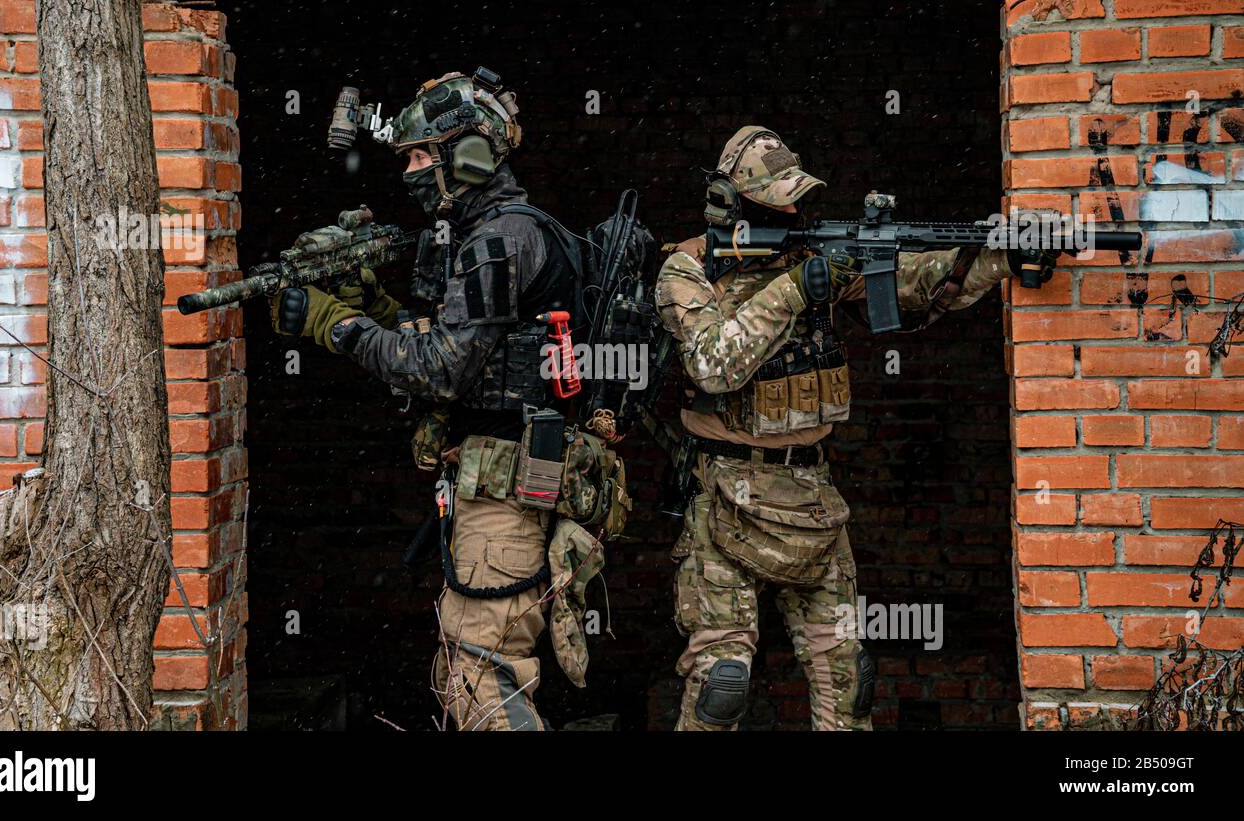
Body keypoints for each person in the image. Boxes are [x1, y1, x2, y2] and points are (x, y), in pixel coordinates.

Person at [655, 125, 1056, 731]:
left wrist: (995, 254)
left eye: (795, 200)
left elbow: (918, 282)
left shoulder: (808, 256)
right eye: (774, 203)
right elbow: (712, 363)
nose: (791, 212)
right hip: (725, 501)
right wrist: (796, 290)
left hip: (813, 502)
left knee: (851, 687)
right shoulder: (687, 268)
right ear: (732, 203)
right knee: (722, 689)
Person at [270, 69, 608, 731]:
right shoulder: (508, 231)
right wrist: (379, 311)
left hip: (508, 496)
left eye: (422, 155)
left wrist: (335, 324)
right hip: (501, 487)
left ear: (470, 156)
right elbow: (468, 354)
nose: (411, 171)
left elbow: (444, 371)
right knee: (464, 669)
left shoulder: (497, 244)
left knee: (484, 681)